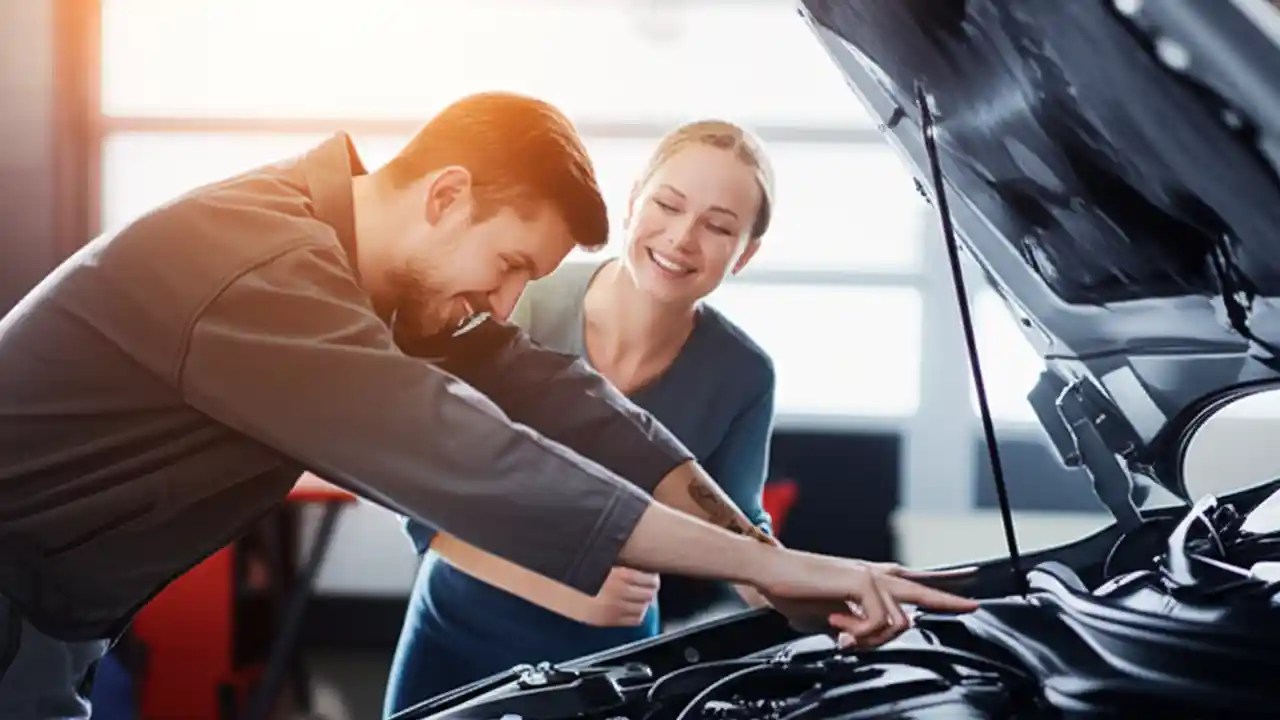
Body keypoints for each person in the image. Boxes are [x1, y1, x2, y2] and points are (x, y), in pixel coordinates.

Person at [0, 91, 976, 719]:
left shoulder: (368, 269)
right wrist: (791, 567)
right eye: (508, 265)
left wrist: (771, 571)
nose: (508, 306)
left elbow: (560, 399)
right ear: (445, 195)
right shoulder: (266, 272)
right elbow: (491, 465)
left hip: (53, 619)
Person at [383, 119, 788, 713]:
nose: (681, 237)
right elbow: (422, 498)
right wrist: (563, 586)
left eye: (718, 226)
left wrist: (826, 594)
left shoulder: (746, 374)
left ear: (745, 253)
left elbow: (738, 525)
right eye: (668, 205)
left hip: (608, 659)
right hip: (459, 629)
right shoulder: (514, 295)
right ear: (632, 203)